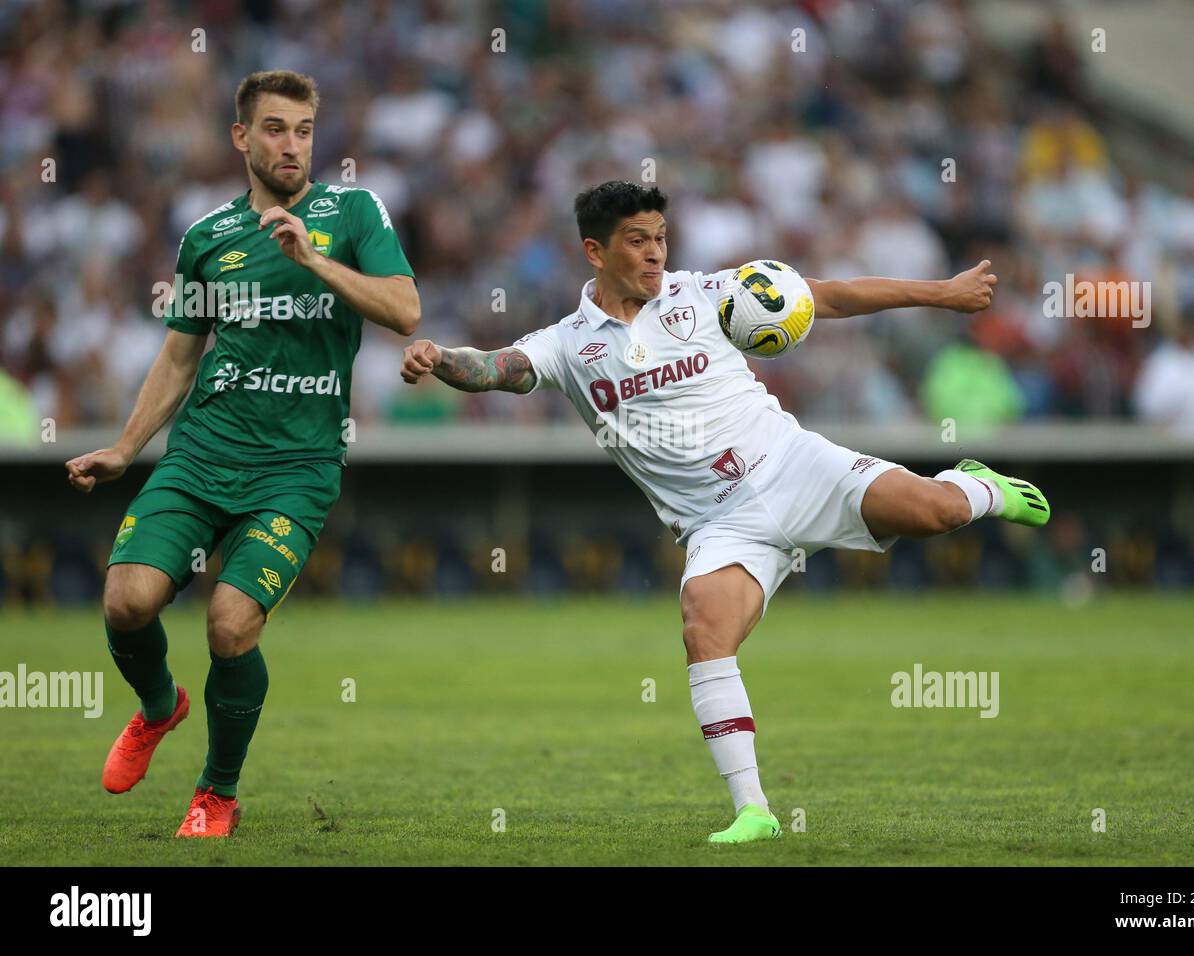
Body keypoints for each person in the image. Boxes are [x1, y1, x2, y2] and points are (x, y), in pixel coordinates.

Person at [399, 181, 1049, 843]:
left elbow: (827, 295)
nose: (655, 254)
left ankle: (981, 487)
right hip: (719, 525)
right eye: (637, 241)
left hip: (793, 467)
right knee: (703, 627)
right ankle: (755, 811)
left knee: (938, 511)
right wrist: (440, 359)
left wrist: (942, 292)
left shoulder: (706, 294)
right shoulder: (567, 344)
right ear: (595, 251)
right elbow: (494, 367)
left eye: (660, 238)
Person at [65, 70, 419, 838]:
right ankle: (160, 707)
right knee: (126, 601)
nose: (291, 144)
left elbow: (404, 308)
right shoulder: (208, 238)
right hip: (200, 455)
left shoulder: (352, 212)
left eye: (302, 130)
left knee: (230, 624)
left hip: (296, 470)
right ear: (241, 137)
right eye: (274, 129)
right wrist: (127, 448)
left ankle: (217, 791)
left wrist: (315, 262)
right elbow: (179, 358)